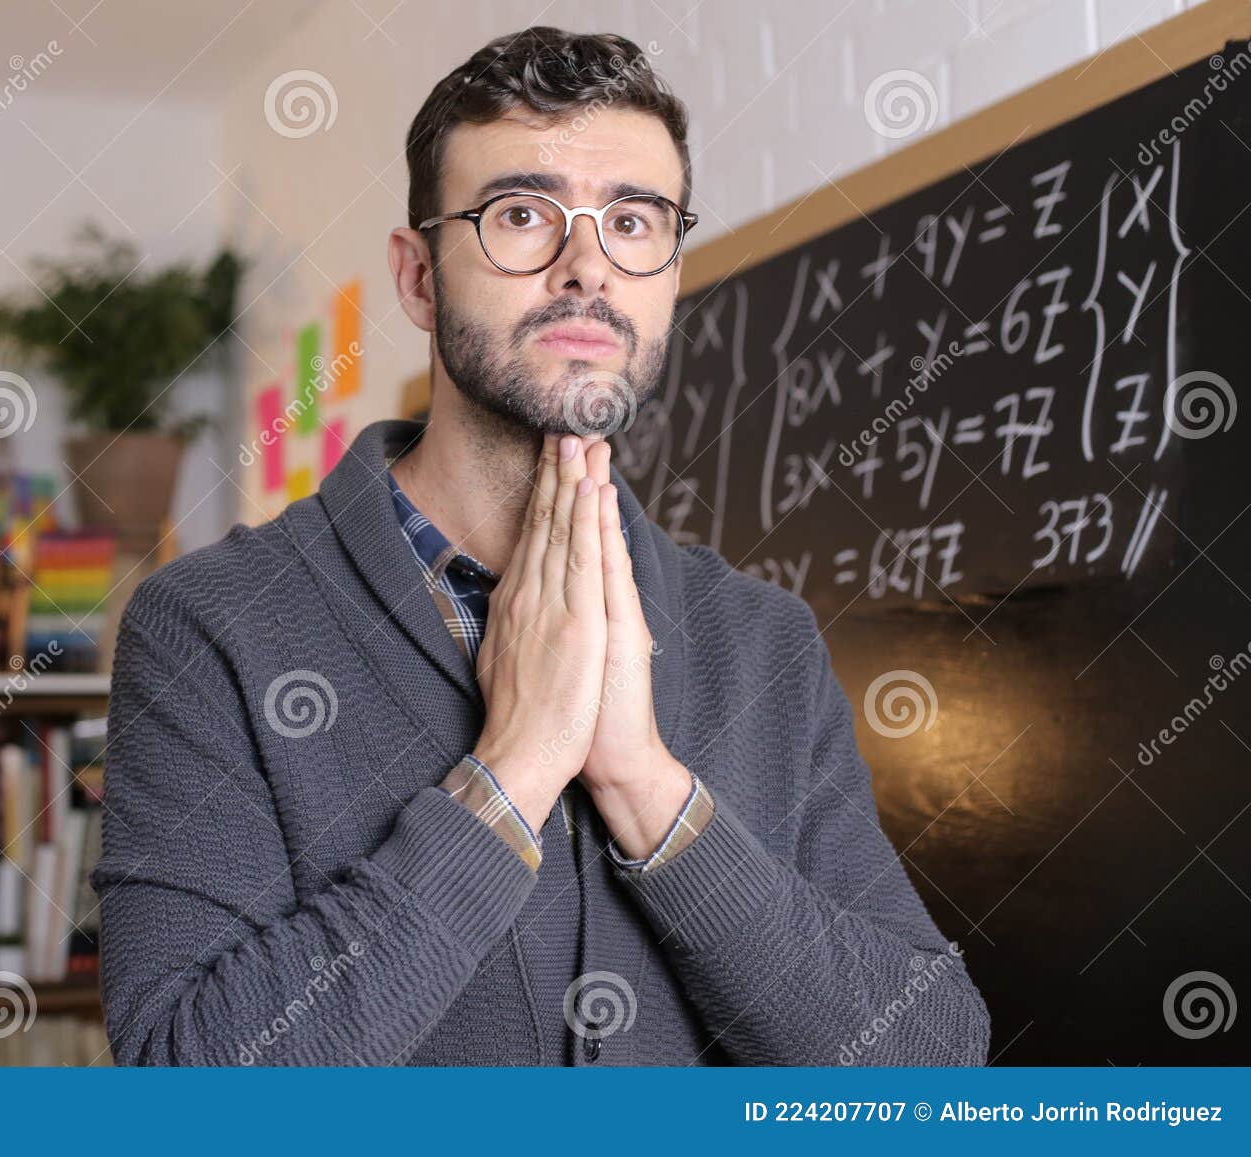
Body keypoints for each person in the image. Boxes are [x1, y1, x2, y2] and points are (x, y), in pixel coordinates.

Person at [92, 25, 991, 1066]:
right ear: (418, 277)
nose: (586, 268)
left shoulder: (764, 641)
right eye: (522, 214)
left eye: (633, 221)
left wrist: (644, 784)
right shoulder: (212, 626)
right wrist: (513, 770)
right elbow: (184, 1087)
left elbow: (930, 1060)